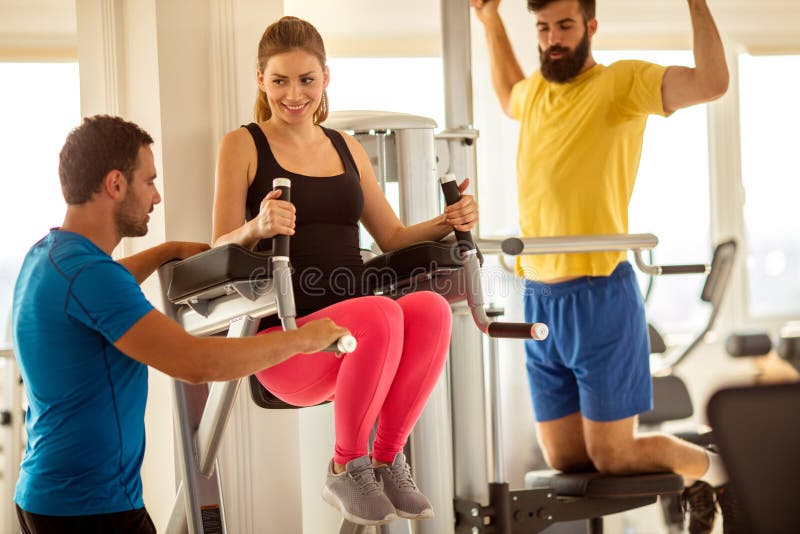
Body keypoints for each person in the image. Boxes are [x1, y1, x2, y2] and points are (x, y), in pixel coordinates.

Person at [470, 0, 741, 532]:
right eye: (544, 28)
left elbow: (711, 82)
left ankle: (718, 472)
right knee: (569, 458)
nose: (552, 39)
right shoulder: (537, 95)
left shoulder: (620, 83)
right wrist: (490, 21)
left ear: (591, 27)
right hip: (538, 303)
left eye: (565, 26)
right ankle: (683, 475)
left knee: (613, 456)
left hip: (598, 295)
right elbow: (507, 93)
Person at [12, 115, 349, 534]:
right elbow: (196, 362)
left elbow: (102, 284)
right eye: (148, 181)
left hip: (52, 497)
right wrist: (301, 340)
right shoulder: (91, 277)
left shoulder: (48, 256)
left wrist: (164, 252)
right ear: (115, 185)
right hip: (89, 508)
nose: (155, 197)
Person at [211, 15, 478, 527]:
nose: (294, 94)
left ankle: (386, 459)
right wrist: (255, 227)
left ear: (325, 78)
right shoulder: (242, 144)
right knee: (380, 313)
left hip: (359, 339)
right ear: (260, 81)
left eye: (306, 80)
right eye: (279, 81)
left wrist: (449, 220)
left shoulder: (345, 147)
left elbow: (394, 239)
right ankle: (344, 465)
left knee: (429, 308)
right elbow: (217, 244)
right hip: (286, 341)